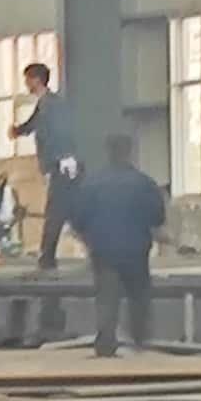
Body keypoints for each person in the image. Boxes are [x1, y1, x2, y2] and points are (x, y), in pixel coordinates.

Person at [67, 127, 166, 357]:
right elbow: (157, 218)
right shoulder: (144, 184)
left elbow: (77, 220)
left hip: (103, 251)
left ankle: (105, 343)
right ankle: (140, 342)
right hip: (136, 251)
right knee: (138, 296)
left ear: (107, 152)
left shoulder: (91, 184)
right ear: (130, 151)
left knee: (106, 298)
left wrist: (89, 239)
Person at [12, 60, 76, 270]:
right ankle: (47, 256)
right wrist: (18, 131)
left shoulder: (52, 105)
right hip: (56, 165)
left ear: (36, 80)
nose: (26, 83)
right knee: (61, 212)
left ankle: (47, 257)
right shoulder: (44, 104)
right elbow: (33, 124)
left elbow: (60, 132)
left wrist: (64, 157)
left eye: (28, 79)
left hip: (60, 166)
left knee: (55, 212)